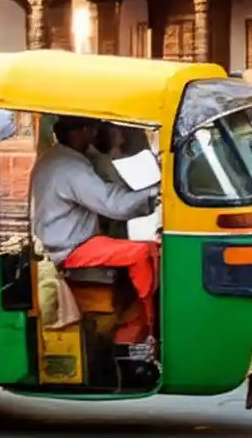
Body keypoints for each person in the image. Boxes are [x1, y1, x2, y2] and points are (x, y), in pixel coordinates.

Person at [30, 115, 160, 346]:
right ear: (78, 132)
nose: (94, 134)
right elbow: (113, 204)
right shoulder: (70, 168)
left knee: (144, 248)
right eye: (90, 129)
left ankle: (134, 316)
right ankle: (145, 324)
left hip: (68, 240)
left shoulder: (55, 156)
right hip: (72, 248)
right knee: (143, 252)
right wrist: (154, 193)